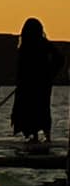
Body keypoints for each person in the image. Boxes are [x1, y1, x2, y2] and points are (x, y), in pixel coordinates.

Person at [10, 17, 59, 145]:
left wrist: (50, 73)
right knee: (38, 108)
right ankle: (40, 136)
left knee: (37, 108)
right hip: (33, 83)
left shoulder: (37, 44)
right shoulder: (31, 45)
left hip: (38, 83)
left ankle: (41, 136)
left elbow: (59, 58)